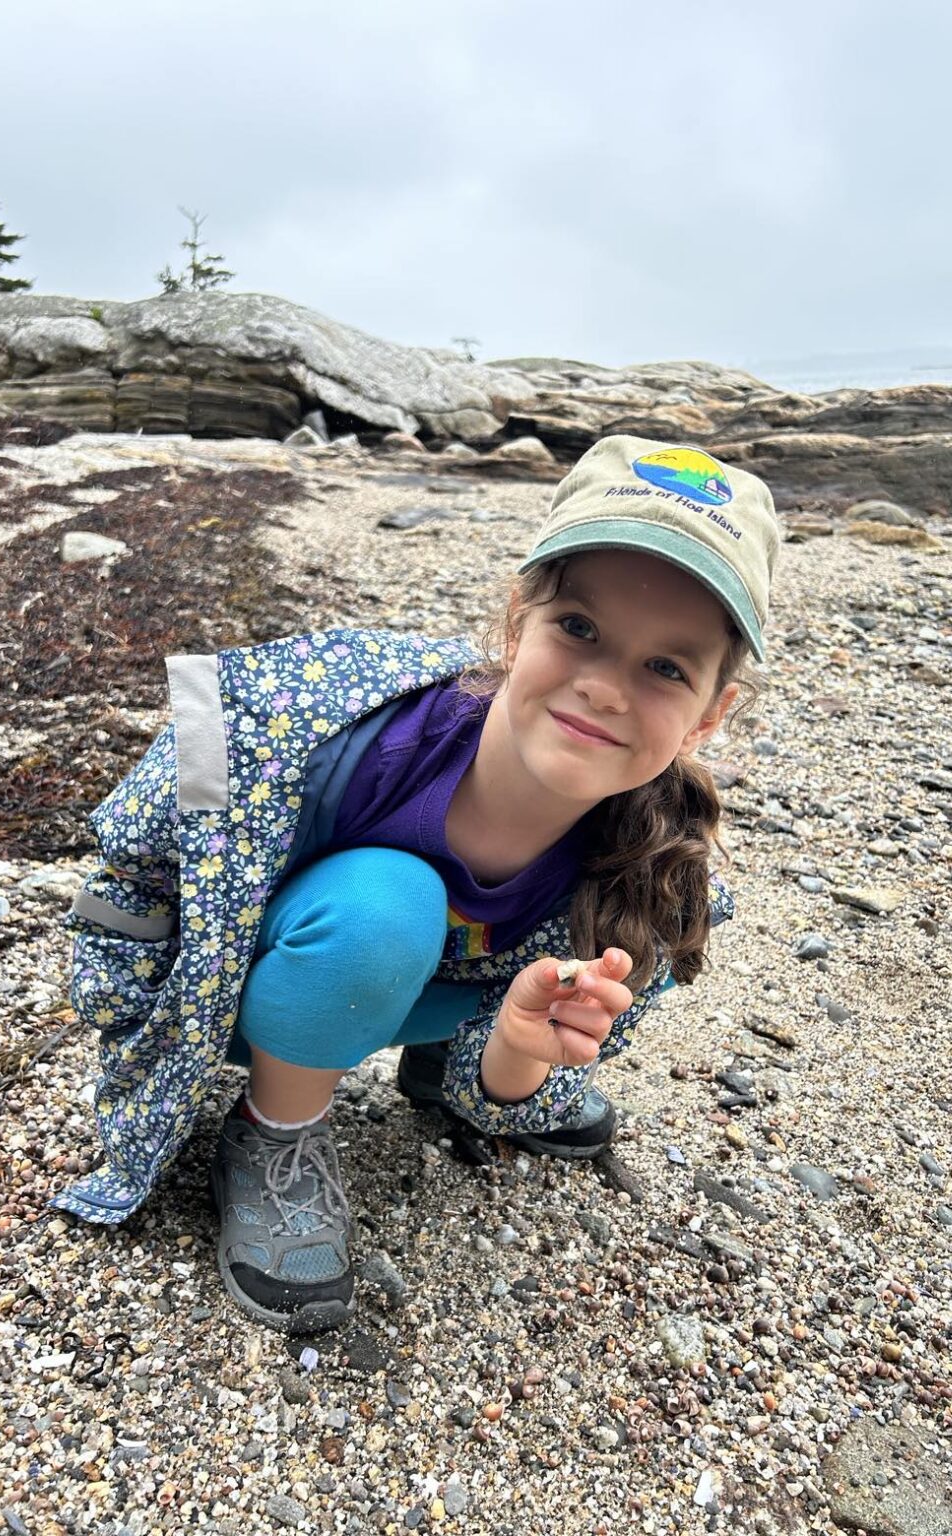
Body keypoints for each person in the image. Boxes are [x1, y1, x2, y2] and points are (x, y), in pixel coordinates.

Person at [52, 435, 781, 1335]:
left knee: (502, 989)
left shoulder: (657, 879)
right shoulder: (309, 710)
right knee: (386, 905)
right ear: (520, 622)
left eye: (667, 667)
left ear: (712, 713)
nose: (604, 688)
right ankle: (275, 1132)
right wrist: (127, 1013)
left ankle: (433, 1070)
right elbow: (150, 832)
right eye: (580, 629)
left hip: (449, 1000)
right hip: (252, 986)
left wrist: (517, 1049)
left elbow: (532, 1060)